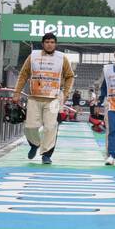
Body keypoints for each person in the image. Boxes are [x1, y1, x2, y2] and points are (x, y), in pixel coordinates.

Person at [13, 32, 75, 164]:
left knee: (50, 127)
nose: (49, 44)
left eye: (52, 42)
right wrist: (17, 92)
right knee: (30, 126)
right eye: (47, 42)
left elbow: (70, 76)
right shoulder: (33, 56)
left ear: (55, 44)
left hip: (53, 99)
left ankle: (46, 154)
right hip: (34, 97)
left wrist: (66, 92)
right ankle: (35, 144)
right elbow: (24, 74)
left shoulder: (62, 58)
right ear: (43, 44)